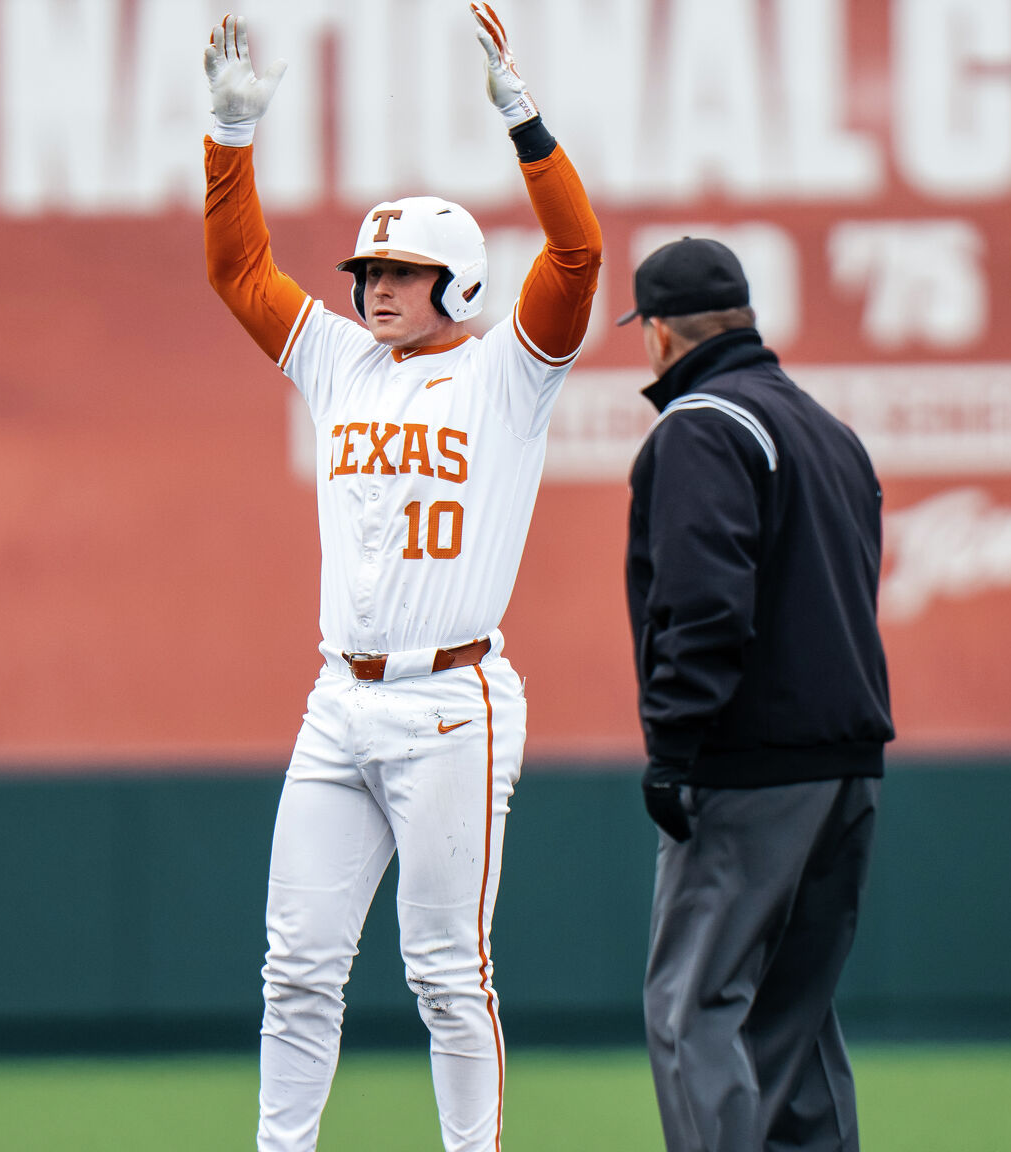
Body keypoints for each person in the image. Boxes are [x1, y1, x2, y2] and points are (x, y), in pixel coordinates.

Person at [201, 7, 602, 1152]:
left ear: (459, 284)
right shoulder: (340, 360)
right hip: (339, 700)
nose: (375, 286)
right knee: (295, 966)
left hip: (450, 702)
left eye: (403, 271)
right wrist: (229, 138)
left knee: (443, 970)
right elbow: (237, 270)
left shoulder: (508, 372)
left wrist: (522, 122)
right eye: (369, 269)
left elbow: (576, 258)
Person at [621, 237, 895, 1152]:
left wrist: (673, 747)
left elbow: (704, 605)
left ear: (660, 333)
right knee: (791, 1019)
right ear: (742, 318)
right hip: (845, 768)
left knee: (692, 1010)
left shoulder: (702, 425)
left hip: (751, 771)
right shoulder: (827, 431)